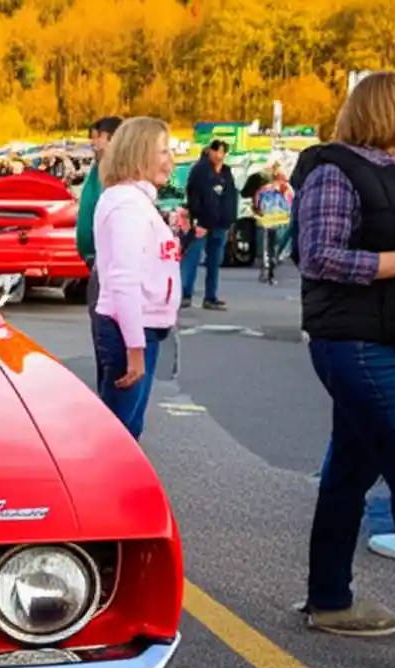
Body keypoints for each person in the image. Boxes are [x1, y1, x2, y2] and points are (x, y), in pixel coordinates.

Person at [293, 70, 395, 649]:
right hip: (356, 343)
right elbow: (318, 256)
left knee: (351, 471)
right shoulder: (335, 168)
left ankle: (329, 598)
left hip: (393, 340)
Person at [90, 116, 181, 440]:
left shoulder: (136, 202)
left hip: (142, 327)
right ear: (139, 153)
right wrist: (135, 348)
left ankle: (111, 491)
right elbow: (123, 280)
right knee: (120, 434)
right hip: (130, 328)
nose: (171, 161)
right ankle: (103, 492)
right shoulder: (127, 204)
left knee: (127, 428)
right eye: (163, 152)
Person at [76, 116, 125, 326]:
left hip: (108, 265)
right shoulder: (98, 169)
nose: (94, 143)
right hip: (95, 262)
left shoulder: (117, 174)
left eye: (98, 138)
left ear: (112, 138)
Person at [182, 140, 238, 310]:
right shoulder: (200, 170)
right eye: (216, 152)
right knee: (193, 258)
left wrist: (230, 220)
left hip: (220, 223)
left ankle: (210, 297)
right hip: (202, 223)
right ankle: (185, 294)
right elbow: (194, 195)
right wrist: (196, 220)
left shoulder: (227, 172)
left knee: (215, 261)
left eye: (222, 152)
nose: (219, 156)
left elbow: (230, 197)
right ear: (210, 152)